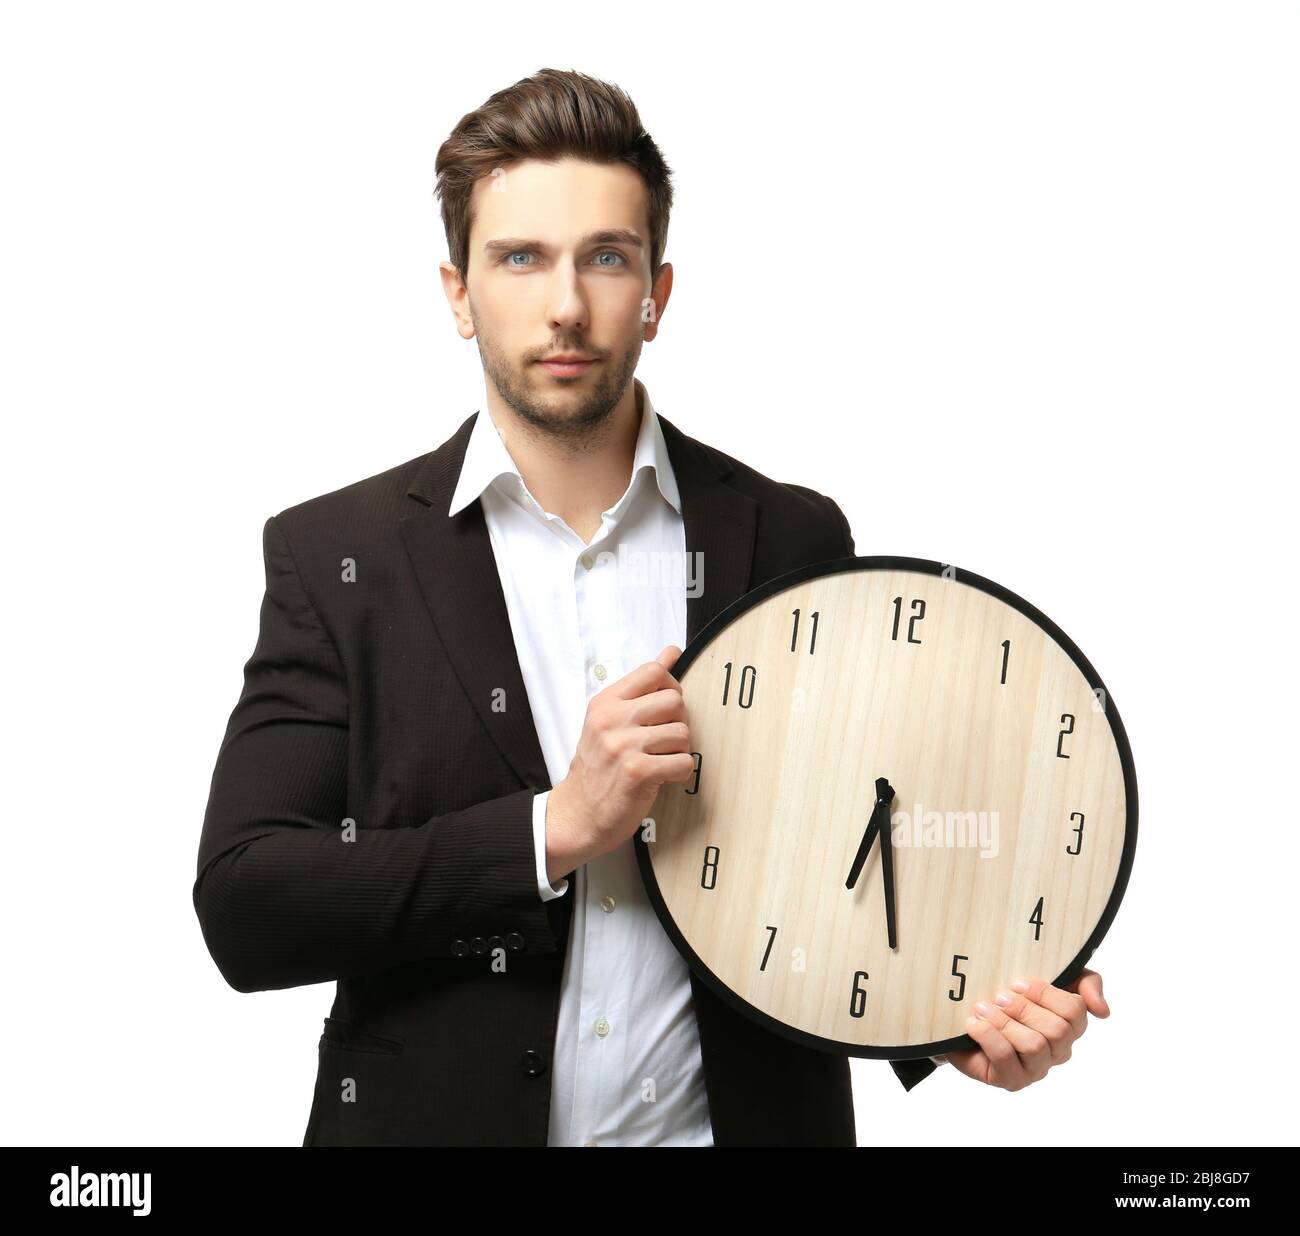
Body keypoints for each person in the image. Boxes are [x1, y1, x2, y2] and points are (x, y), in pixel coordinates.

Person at [194, 67, 1110, 1147]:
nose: (566, 304)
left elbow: (843, 851)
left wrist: (944, 1025)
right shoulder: (338, 555)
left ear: (657, 294)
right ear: (457, 292)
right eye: (520, 258)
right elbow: (249, 904)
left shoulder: (791, 535)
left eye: (606, 258)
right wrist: (554, 829)